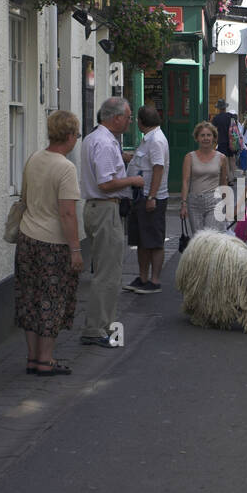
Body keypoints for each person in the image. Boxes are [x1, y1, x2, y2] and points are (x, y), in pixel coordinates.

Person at [16, 110, 84, 376]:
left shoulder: (34, 159)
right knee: (51, 300)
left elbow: (24, 197)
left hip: (27, 237)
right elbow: (67, 213)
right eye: (77, 134)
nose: (77, 139)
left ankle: (32, 358)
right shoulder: (65, 168)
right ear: (68, 136)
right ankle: (46, 360)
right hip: (52, 244)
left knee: (29, 298)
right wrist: (76, 250)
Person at [79, 97, 145, 348]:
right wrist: (132, 181)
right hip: (105, 208)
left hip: (98, 209)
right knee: (108, 273)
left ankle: (101, 325)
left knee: (105, 270)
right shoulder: (105, 143)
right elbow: (105, 184)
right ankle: (96, 329)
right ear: (115, 117)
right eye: (128, 117)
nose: (130, 122)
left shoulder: (94, 138)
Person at [125, 105, 170, 294]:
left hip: (151, 198)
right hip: (140, 196)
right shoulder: (148, 139)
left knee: (154, 240)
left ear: (141, 122)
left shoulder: (156, 140)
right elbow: (145, 163)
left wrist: (152, 196)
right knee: (142, 240)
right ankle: (143, 278)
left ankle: (155, 280)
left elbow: (158, 168)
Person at [181, 121, 230, 234]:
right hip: (194, 202)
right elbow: (185, 181)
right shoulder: (189, 157)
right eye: (202, 135)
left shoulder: (221, 158)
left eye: (209, 135)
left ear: (214, 138)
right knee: (198, 240)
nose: (206, 138)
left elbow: (223, 183)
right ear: (197, 138)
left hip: (214, 201)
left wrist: (226, 205)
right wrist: (183, 203)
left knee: (210, 238)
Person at [210, 100, 236, 166]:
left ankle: (228, 175)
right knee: (232, 158)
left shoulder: (216, 118)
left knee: (224, 158)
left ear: (218, 108)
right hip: (232, 140)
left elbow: (212, 129)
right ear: (225, 107)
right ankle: (234, 174)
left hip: (221, 140)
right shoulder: (231, 116)